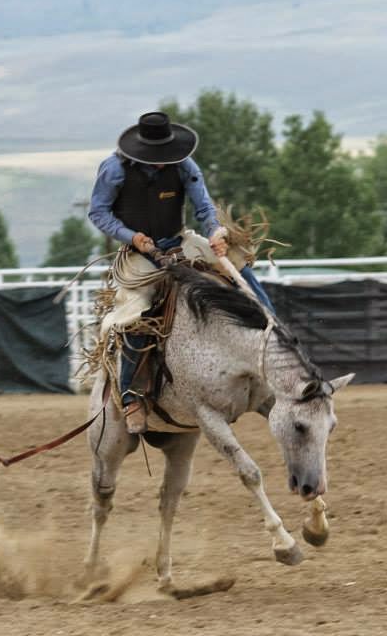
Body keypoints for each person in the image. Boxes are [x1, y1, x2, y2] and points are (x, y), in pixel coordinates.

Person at [88, 111, 273, 433]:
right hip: (137, 253)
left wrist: (215, 232)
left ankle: (273, 329)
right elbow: (99, 212)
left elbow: (203, 207)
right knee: (134, 312)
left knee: (237, 265)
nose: (162, 162)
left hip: (180, 241)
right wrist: (132, 237)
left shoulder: (184, 165)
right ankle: (132, 395)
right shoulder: (114, 169)